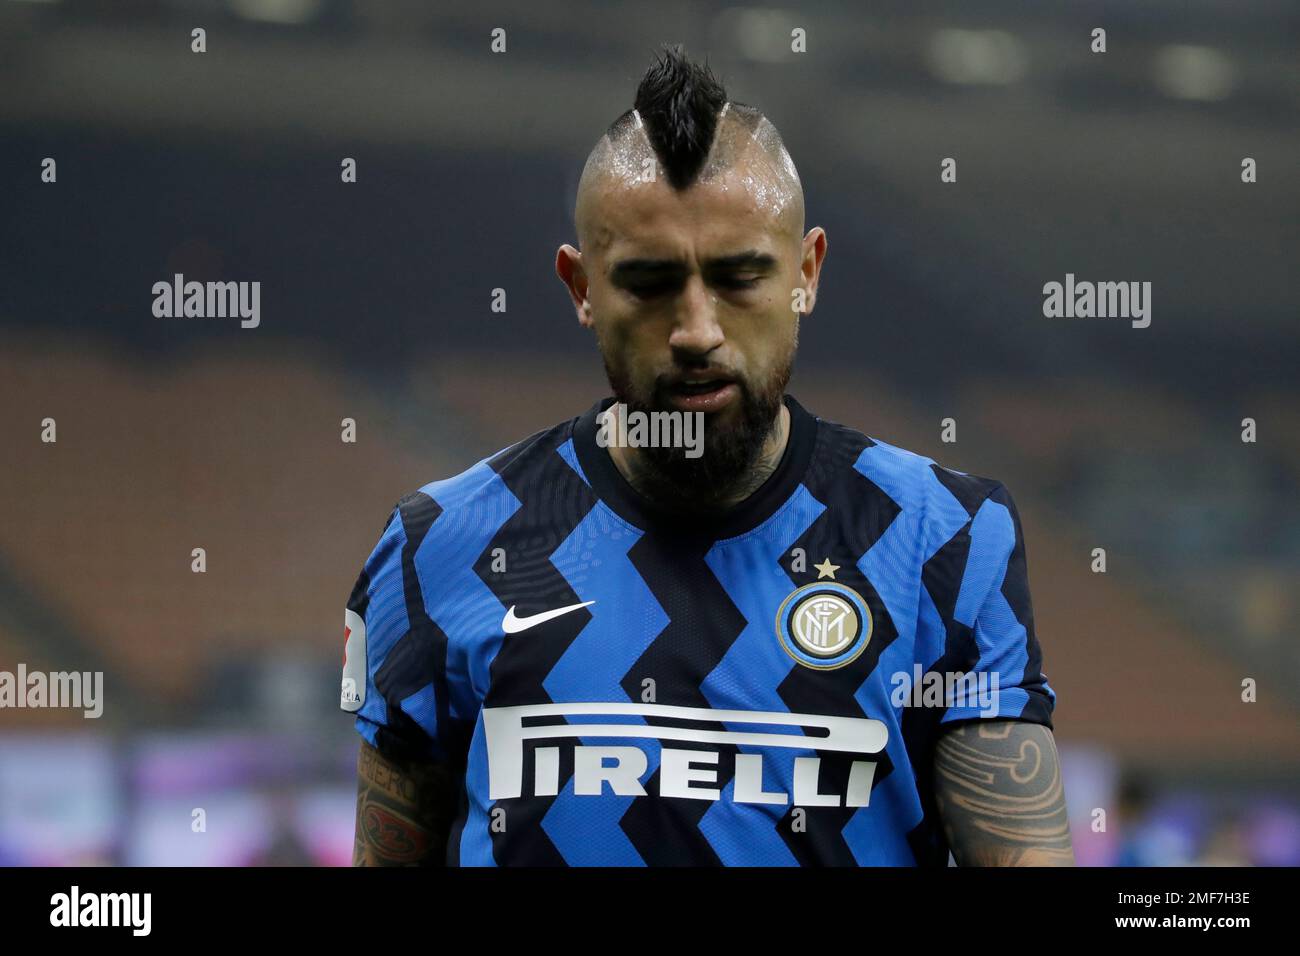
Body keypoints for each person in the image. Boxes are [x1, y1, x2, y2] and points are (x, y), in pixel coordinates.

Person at [344, 45, 1071, 867]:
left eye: (739, 277)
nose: (696, 330)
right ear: (581, 289)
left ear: (807, 271)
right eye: (650, 283)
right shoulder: (439, 547)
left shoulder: (945, 539)